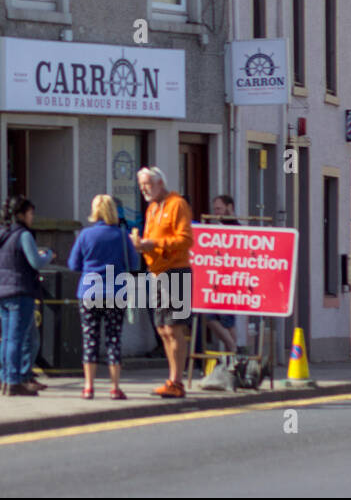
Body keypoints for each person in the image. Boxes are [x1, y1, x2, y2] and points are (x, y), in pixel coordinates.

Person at [130, 166, 194, 398]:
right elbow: (152, 239)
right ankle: (171, 378)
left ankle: (176, 381)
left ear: (160, 183)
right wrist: (141, 245)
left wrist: (154, 244)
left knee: (174, 327)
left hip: (177, 271)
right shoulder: (152, 208)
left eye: (146, 184)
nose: (143, 189)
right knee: (162, 328)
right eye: (140, 185)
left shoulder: (177, 204)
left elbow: (186, 239)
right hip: (157, 273)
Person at [67, 194, 132, 400]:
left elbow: (73, 264)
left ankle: (88, 387)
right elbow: (134, 262)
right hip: (116, 291)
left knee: (90, 340)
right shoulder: (122, 235)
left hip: (89, 291)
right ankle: (114, 387)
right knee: (113, 339)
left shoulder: (85, 235)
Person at [0, 195, 52, 396]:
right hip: (20, 290)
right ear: (21, 214)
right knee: (17, 338)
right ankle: (15, 381)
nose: (32, 217)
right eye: (30, 213)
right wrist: (48, 255)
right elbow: (35, 262)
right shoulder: (23, 235)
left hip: (1, 290)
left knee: (7, 337)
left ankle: (5, 378)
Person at [202, 195, 240, 355]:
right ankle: (233, 350)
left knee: (226, 319)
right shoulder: (218, 226)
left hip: (229, 280)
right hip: (216, 279)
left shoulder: (235, 226)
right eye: (215, 209)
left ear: (229, 207)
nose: (216, 212)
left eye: (219, 208)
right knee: (210, 316)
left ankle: (233, 350)